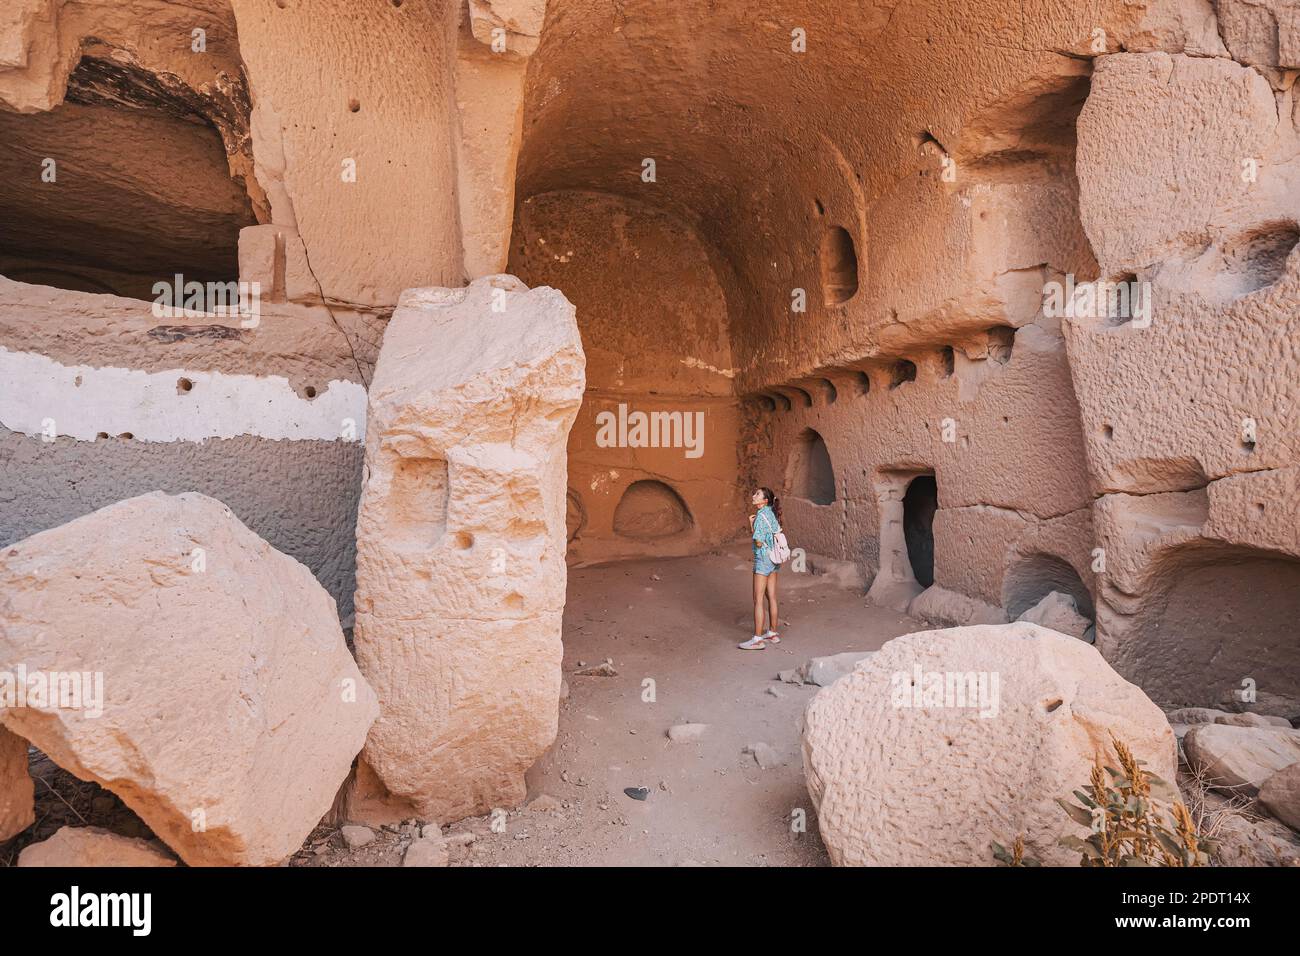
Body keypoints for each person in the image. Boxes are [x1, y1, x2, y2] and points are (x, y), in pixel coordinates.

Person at [739, 487, 783, 650]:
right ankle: (772, 633)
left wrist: (752, 524)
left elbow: (758, 541)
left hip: (763, 559)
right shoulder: (771, 514)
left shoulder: (760, 516)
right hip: (774, 559)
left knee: (757, 599)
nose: (753, 496)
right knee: (771, 596)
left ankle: (757, 639)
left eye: (757, 494)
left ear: (765, 500)